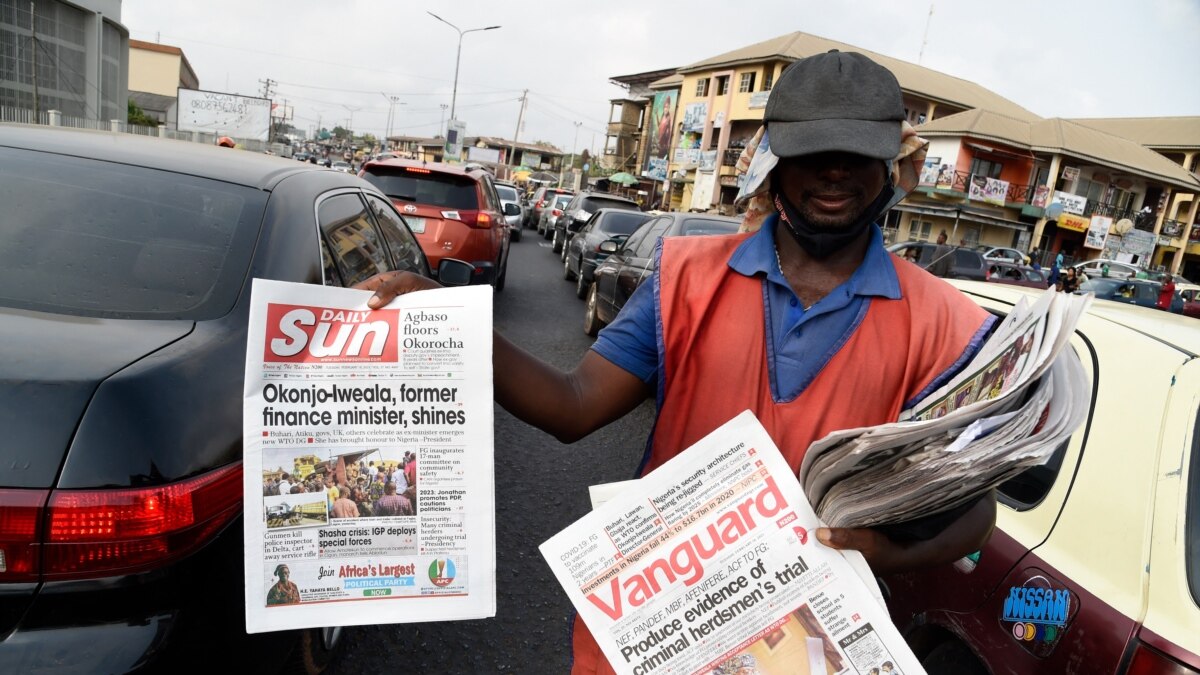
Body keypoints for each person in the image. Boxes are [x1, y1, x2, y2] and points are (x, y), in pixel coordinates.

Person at [358, 49, 997, 674]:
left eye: (856, 153)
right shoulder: (685, 278)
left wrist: (879, 552)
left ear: (890, 163)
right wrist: (455, 323)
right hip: (659, 630)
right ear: (775, 159)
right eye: (813, 151)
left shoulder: (946, 323)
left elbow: (973, 516)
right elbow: (575, 404)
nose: (835, 171)